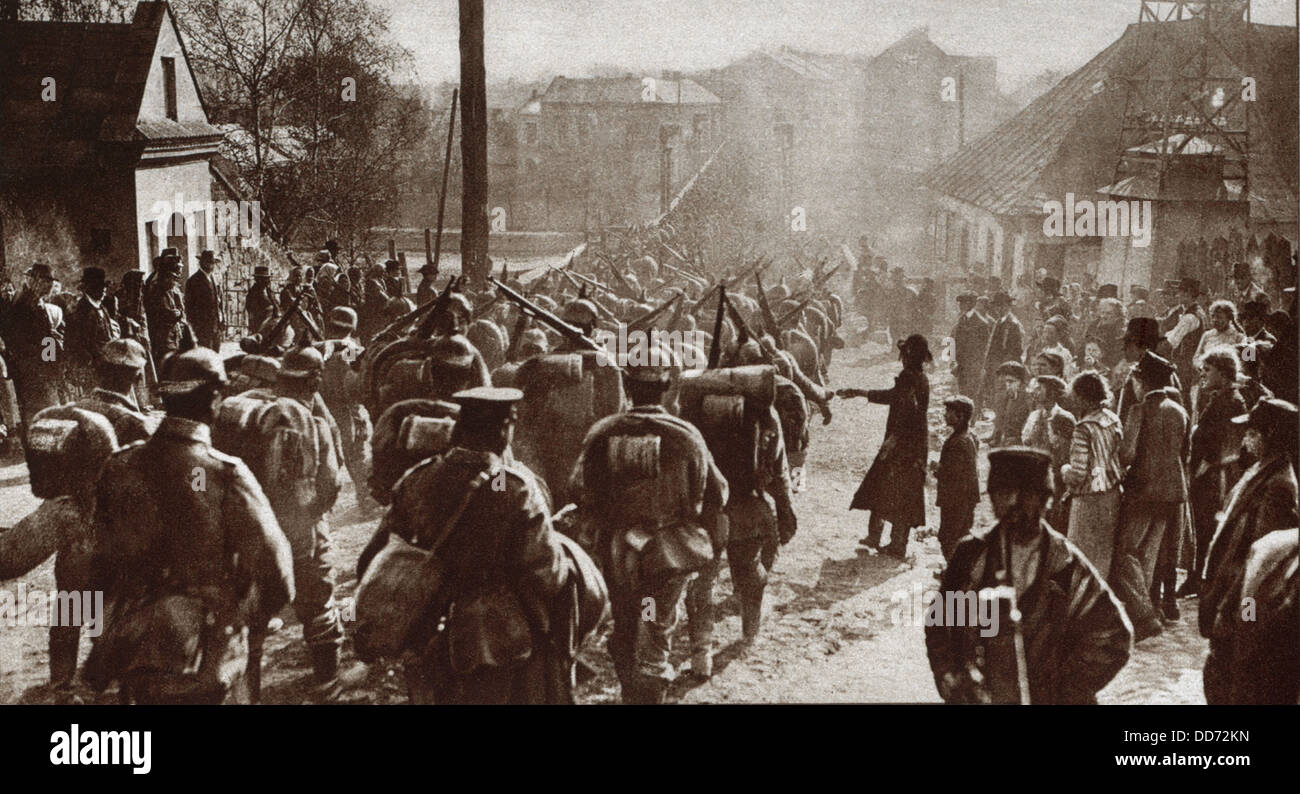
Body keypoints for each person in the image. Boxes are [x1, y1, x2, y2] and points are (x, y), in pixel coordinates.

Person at [84, 348, 294, 704]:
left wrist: (104, 641)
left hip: (137, 653)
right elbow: (278, 574)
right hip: (209, 655)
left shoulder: (119, 466)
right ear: (214, 398)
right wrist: (248, 622)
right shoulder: (225, 473)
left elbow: (96, 568)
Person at [366, 387, 584, 704]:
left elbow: (378, 552)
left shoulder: (416, 478)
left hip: (425, 623)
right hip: (491, 636)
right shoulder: (514, 488)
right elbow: (546, 573)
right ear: (502, 428)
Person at [568, 361, 727, 701]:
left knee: (626, 624)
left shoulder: (602, 432)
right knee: (653, 625)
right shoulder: (685, 435)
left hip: (617, 554)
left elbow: (578, 488)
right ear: (666, 386)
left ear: (627, 385)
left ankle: (632, 692)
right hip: (664, 557)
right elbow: (716, 493)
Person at [925, 447, 1131, 704]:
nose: (1012, 503)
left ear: (1045, 499)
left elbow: (1115, 636)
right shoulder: (971, 555)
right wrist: (950, 675)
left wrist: (1066, 689)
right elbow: (940, 624)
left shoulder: (1065, 564)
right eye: (1003, 493)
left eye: (1025, 495)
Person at [1200, 398, 1298, 704]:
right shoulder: (1261, 471)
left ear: (1269, 434)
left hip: (1243, 600)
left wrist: (1239, 618)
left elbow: (1261, 567)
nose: (1245, 438)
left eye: (1252, 432)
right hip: (1232, 594)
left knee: (1236, 674)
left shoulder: (1278, 486)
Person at [1111, 352, 1189, 641]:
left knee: (1125, 553)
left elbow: (1127, 454)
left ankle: (1143, 616)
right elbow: (1184, 454)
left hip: (1144, 490)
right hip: (1173, 492)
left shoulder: (1138, 410)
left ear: (1140, 381)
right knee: (1152, 553)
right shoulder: (1178, 410)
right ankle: (1146, 611)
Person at [841, 334, 931, 559]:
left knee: (890, 487)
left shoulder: (908, 377)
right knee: (900, 489)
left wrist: (894, 439)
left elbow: (905, 407)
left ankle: (893, 544)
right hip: (915, 443)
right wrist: (861, 392)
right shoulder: (921, 377)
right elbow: (896, 399)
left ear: (908, 356)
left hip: (903, 444)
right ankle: (887, 540)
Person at [1180, 348, 1248, 597]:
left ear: (1223, 372)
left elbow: (1231, 445)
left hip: (1216, 479)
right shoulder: (1221, 398)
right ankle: (1197, 578)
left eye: (1207, 370)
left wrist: (1204, 466)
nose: (1203, 375)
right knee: (1201, 528)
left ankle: (1207, 582)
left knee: (1210, 528)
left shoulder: (1232, 401)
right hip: (1206, 476)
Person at [1060, 372, 1124, 579]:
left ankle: (1079, 606)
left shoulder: (1083, 428)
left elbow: (1078, 474)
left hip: (1088, 499)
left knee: (1080, 558)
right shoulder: (1113, 419)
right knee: (1102, 558)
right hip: (1112, 495)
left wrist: (1063, 470)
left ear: (1082, 397)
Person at [0, 264, 65, 437]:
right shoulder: (23, 304)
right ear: (36, 281)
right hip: (32, 368)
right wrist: (47, 358)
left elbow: (47, 336)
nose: (50, 286)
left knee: (46, 406)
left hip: (41, 365)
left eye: (50, 282)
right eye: (47, 282)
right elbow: (20, 339)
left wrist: (51, 359)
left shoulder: (37, 301)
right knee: (38, 407)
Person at [931, 396, 978, 560]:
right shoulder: (969, 436)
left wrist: (937, 469)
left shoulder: (958, 442)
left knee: (948, 538)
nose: (945, 415)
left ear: (961, 416)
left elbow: (954, 474)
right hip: (965, 498)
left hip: (956, 499)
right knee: (960, 537)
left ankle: (956, 575)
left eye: (949, 412)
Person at [65, 267, 120, 398]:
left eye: (104, 289)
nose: (103, 292)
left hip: (106, 362)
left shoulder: (101, 307)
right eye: (99, 288)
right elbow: (78, 342)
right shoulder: (82, 310)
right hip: (91, 365)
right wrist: (93, 360)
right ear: (89, 288)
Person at [144, 250, 191, 371]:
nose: (179, 273)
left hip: (172, 333)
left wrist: (179, 314)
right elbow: (159, 313)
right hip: (162, 334)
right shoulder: (156, 288)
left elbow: (179, 307)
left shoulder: (170, 288)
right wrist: (176, 314)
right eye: (177, 268)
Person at [981, 291, 1024, 406]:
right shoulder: (999, 322)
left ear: (1008, 306)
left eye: (1001, 306)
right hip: (996, 366)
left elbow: (1016, 350)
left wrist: (1002, 366)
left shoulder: (1012, 324)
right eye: (997, 306)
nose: (998, 309)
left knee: (1005, 398)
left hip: (1006, 368)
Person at [950, 292, 991, 408]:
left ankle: (973, 417)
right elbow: (954, 341)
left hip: (974, 365)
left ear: (971, 304)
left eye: (964, 302)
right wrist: (953, 361)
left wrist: (976, 364)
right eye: (960, 303)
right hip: (962, 364)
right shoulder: (961, 320)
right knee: (962, 392)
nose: (960, 305)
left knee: (972, 392)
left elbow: (983, 348)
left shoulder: (981, 323)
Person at [184, 250, 225, 350]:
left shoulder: (214, 279)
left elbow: (219, 302)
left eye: (213, 263)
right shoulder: (193, 281)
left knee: (215, 354)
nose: (211, 265)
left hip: (216, 326)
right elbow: (189, 306)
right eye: (208, 262)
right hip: (202, 327)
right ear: (201, 263)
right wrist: (195, 326)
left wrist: (222, 320)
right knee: (205, 355)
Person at [990, 360, 1031, 447]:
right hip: (1006, 441)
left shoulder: (1028, 400)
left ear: (1020, 382)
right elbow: (1001, 420)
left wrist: (1018, 439)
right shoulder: (1006, 398)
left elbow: (1030, 425)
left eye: (1011, 382)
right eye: (1006, 382)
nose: (1007, 385)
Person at [245, 265, 279, 335]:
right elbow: (252, 311)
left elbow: (276, 303)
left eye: (268, 278)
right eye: (266, 279)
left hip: (271, 321)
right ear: (259, 280)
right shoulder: (253, 293)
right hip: (260, 322)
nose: (268, 281)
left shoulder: (269, 291)